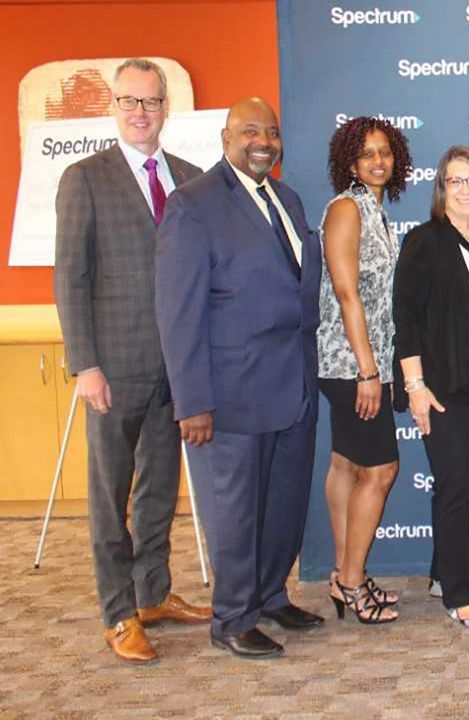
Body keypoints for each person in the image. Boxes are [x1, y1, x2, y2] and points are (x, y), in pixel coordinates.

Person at [53, 58, 210, 664]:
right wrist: (84, 363)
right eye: (129, 101)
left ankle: (153, 593)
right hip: (114, 368)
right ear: (112, 108)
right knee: (109, 494)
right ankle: (119, 613)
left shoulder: (191, 180)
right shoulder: (84, 178)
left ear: (165, 108)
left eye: (150, 101)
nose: (140, 112)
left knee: (158, 491)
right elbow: (71, 276)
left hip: (176, 368)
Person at [155, 98, 324, 659]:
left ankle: (270, 594)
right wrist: (192, 402)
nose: (264, 141)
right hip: (230, 394)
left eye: (272, 132)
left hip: (294, 383)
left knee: (282, 503)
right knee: (235, 511)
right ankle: (231, 615)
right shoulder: (192, 205)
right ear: (226, 136)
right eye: (251, 130)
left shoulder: (287, 197)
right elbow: (179, 312)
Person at [393, 146, 469, 629]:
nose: (464, 189)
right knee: (456, 486)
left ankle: (444, 571)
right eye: (454, 181)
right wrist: (415, 386)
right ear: (441, 189)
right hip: (443, 386)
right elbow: (406, 321)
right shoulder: (425, 240)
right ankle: (461, 596)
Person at [316, 117, 412, 624]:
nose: (378, 161)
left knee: (347, 467)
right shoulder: (347, 209)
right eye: (367, 154)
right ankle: (352, 582)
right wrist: (368, 372)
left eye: (385, 153)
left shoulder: (375, 210)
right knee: (381, 469)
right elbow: (346, 293)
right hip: (350, 365)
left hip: (359, 364)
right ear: (349, 162)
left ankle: (342, 573)